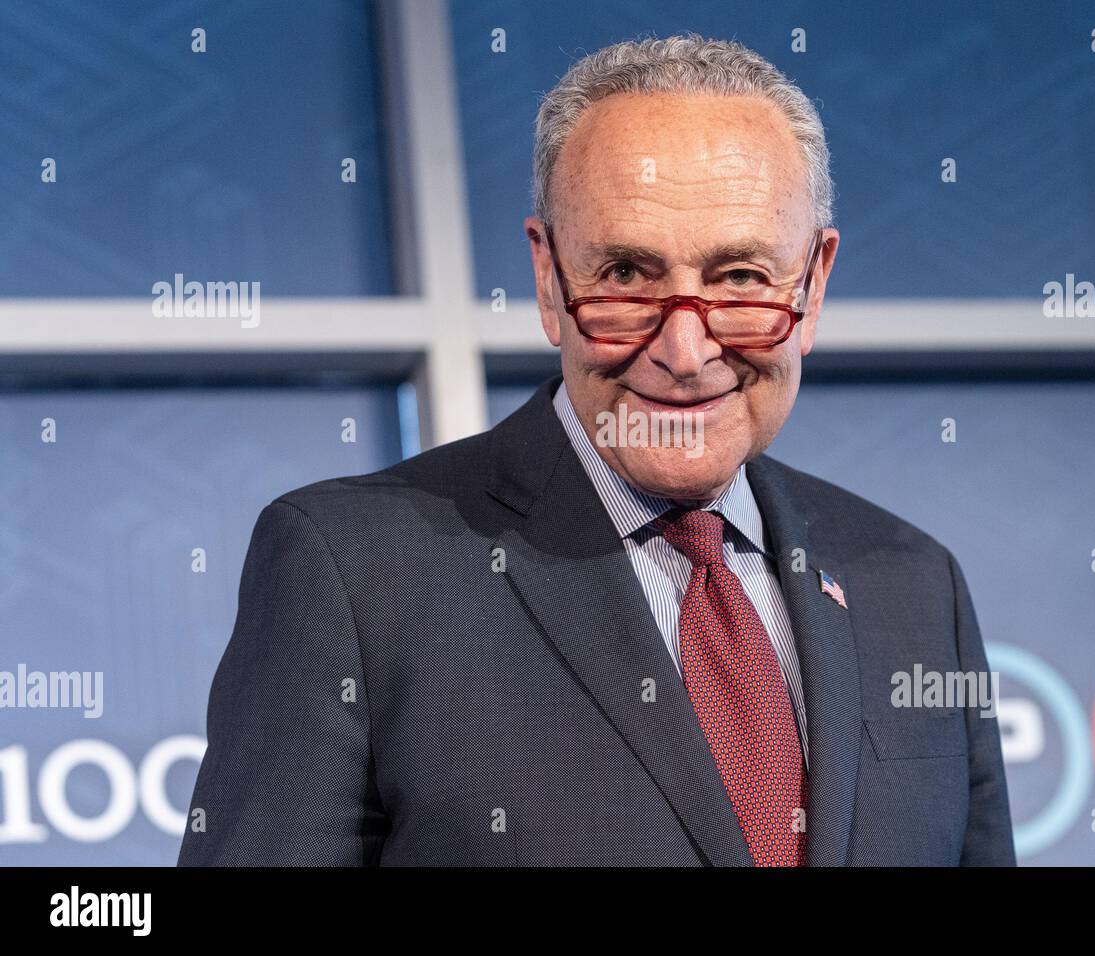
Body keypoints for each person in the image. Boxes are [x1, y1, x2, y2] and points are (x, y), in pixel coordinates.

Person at [179, 33, 1014, 867]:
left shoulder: (912, 583)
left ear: (813, 283)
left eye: (740, 279)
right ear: (549, 281)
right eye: (625, 274)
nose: (686, 353)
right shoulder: (354, 573)